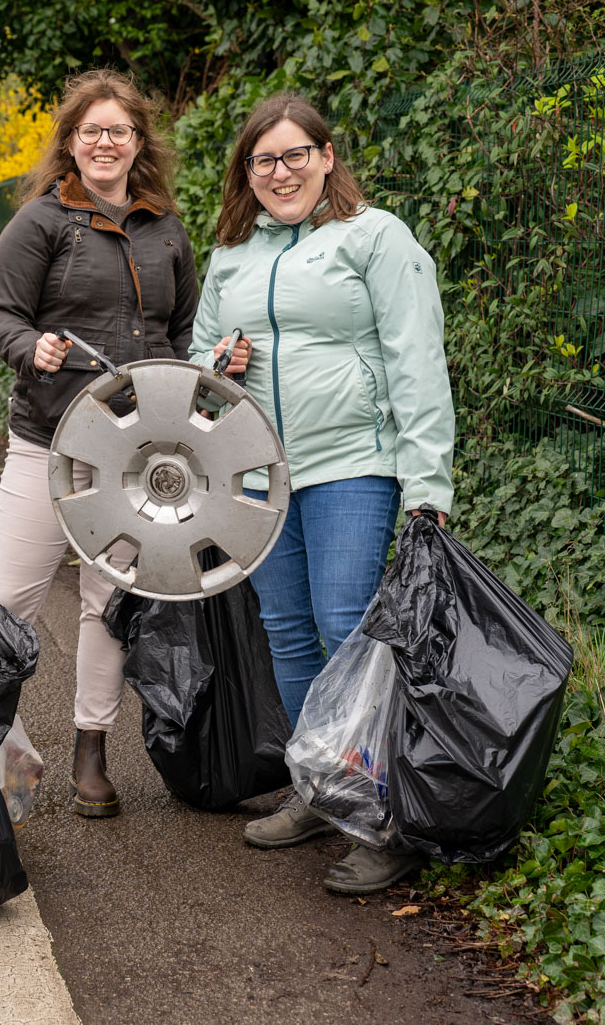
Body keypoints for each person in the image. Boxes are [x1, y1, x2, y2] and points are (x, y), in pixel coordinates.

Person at [189, 94, 454, 893]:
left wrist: (427, 481)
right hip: (258, 472)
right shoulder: (232, 251)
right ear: (248, 173)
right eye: (264, 160)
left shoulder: (376, 237)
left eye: (295, 154)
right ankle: (319, 785)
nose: (281, 172)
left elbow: (417, 359)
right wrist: (218, 360)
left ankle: (383, 815)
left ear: (328, 156)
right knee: (288, 632)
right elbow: (197, 355)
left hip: (351, 460)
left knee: (348, 631)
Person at [0, 69, 199, 818]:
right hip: (47, 442)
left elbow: (179, 335)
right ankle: (5, 757)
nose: (105, 143)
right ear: (71, 143)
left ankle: (91, 752)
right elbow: (2, 316)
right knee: (5, 605)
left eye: (120, 131)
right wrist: (31, 347)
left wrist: (206, 373)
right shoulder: (39, 223)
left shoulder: (166, 229)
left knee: (108, 603)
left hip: (133, 458)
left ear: (139, 143)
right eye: (91, 131)